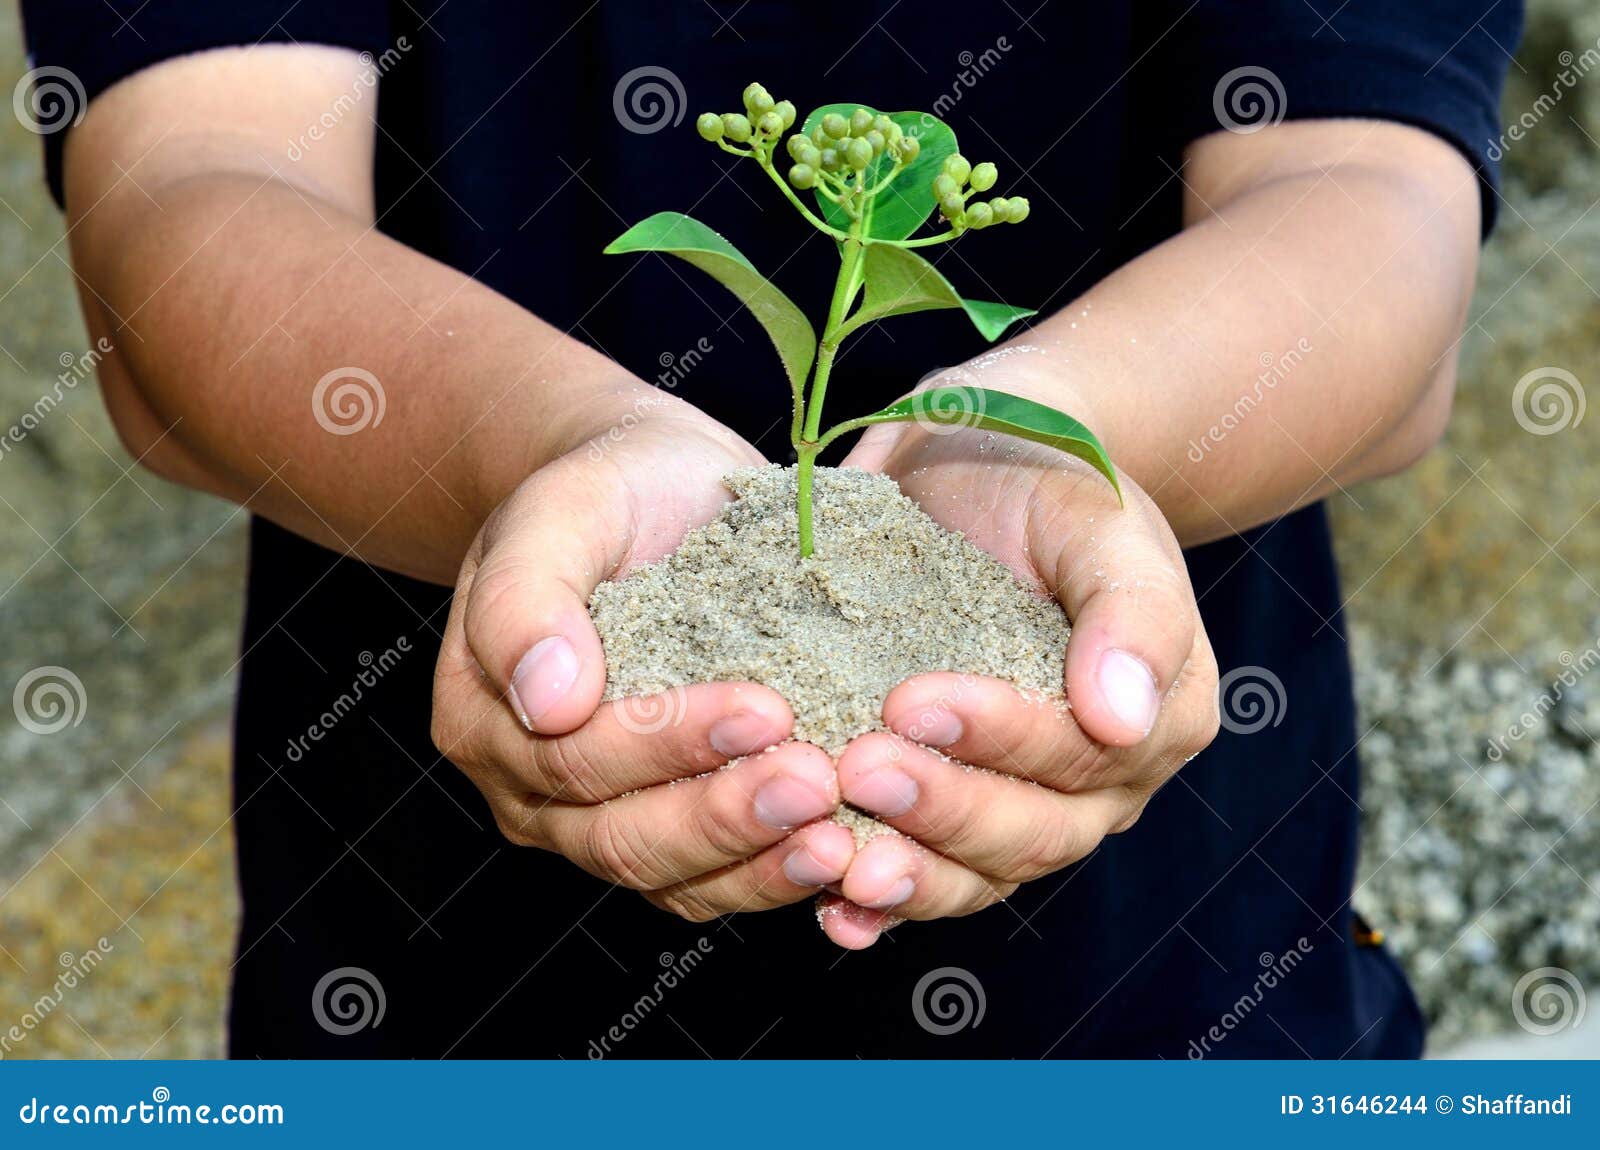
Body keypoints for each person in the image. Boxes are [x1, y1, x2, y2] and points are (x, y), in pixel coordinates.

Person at [21, 0, 1515, 1057]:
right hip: (446, 1016)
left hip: (1171, 1005)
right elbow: (193, 192)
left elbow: (1372, 192)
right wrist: (557, 446)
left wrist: (1047, 427)